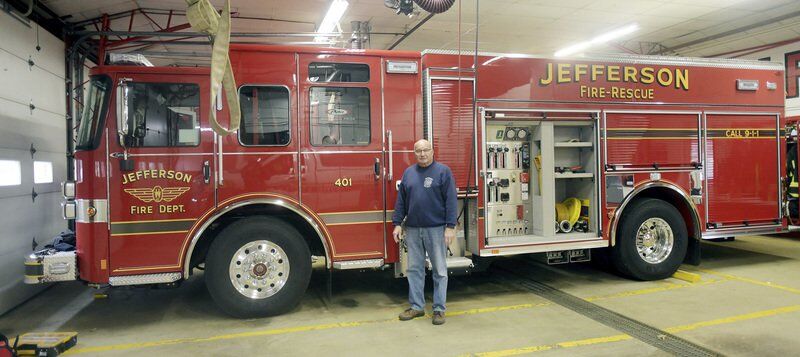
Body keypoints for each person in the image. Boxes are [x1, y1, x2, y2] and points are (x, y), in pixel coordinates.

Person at [392, 139, 457, 325]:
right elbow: (401, 202)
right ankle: (417, 307)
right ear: (414, 153)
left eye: (425, 150)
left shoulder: (443, 171)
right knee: (414, 269)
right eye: (418, 151)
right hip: (412, 229)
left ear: (432, 151)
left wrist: (450, 227)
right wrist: (397, 224)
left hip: (436, 229)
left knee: (440, 270)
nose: (422, 154)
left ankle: (439, 309)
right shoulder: (409, 173)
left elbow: (451, 201)